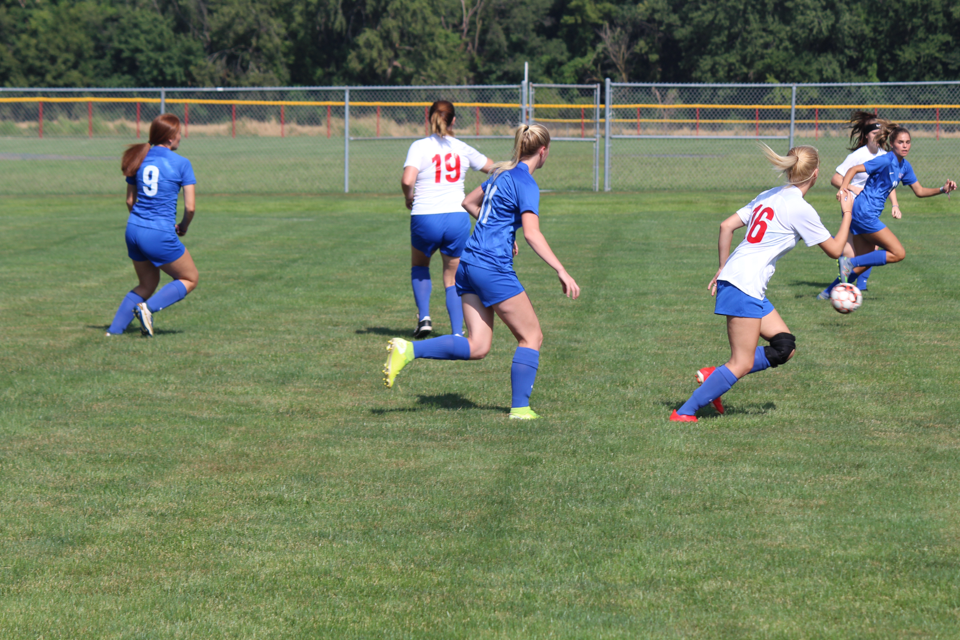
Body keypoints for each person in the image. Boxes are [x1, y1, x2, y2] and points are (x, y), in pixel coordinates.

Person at [382, 124, 580, 420]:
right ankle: (521, 409)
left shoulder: (500, 174)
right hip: (492, 268)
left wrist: (500, 232)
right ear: (543, 150)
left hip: (468, 264)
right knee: (532, 336)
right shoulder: (526, 182)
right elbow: (533, 234)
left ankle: (408, 350)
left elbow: (468, 202)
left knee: (477, 346)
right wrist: (562, 270)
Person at [670, 144, 852, 422]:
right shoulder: (800, 208)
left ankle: (715, 377)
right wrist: (847, 212)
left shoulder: (769, 195)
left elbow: (726, 226)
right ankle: (685, 412)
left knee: (784, 347)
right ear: (815, 174)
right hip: (745, 285)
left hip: (742, 281)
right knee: (740, 362)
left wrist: (722, 268)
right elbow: (837, 250)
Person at [402, 100, 494, 338]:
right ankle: (456, 332)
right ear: (453, 120)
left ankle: (424, 318)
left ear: (429, 118)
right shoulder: (462, 148)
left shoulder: (419, 146)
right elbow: (494, 169)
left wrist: (408, 197)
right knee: (452, 276)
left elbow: (407, 179)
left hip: (425, 217)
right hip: (457, 218)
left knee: (420, 266)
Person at [105, 114, 198, 337]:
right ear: (170, 137)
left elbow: (129, 201)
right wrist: (183, 226)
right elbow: (191, 208)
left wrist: (141, 224)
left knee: (147, 284)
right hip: (158, 233)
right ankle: (146, 309)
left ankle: (114, 331)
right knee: (189, 278)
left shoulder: (138, 158)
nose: (181, 137)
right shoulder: (182, 163)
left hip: (133, 230)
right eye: (178, 133)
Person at [835, 125, 957, 285]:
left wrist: (943, 189)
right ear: (892, 143)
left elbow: (919, 191)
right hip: (864, 211)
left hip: (865, 212)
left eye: (908, 142)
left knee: (865, 262)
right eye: (900, 142)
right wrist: (843, 190)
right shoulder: (885, 160)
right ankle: (849, 263)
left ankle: (830, 291)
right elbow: (853, 169)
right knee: (898, 253)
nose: (905, 145)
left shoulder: (905, 166)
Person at [817, 111, 900, 298]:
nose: (877, 133)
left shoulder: (885, 155)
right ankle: (850, 286)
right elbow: (835, 178)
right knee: (859, 251)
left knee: (862, 253)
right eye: (872, 130)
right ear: (866, 135)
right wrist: (853, 187)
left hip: (870, 208)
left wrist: (895, 204)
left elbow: (890, 183)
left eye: (879, 130)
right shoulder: (859, 155)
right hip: (854, 206)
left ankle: (838, 289)